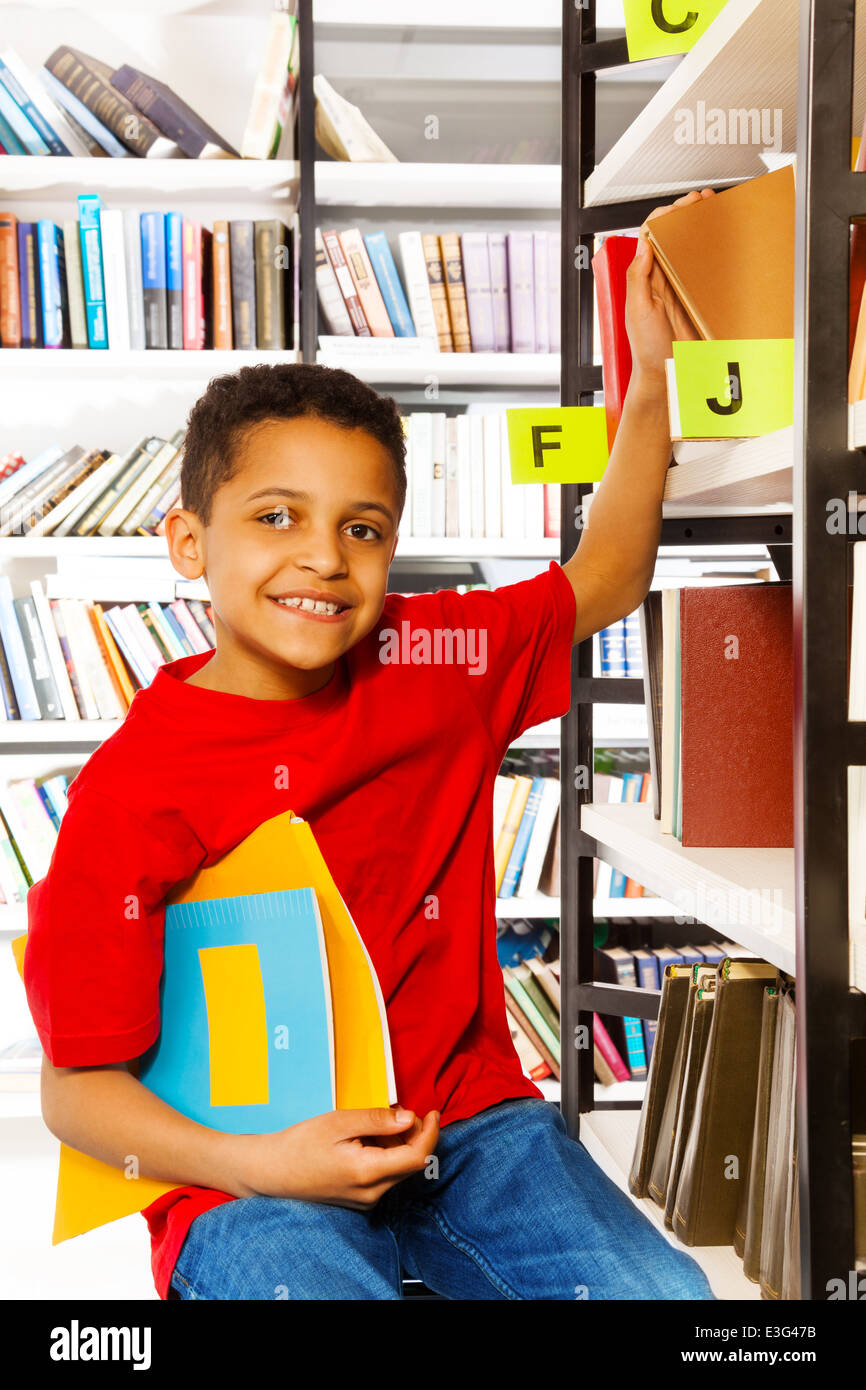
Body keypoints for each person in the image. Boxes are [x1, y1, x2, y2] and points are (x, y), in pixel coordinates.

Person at [23, 193, 717, 1300]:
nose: (324, 558)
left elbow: (604, 579)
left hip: (471, 1128)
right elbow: (76, 1093)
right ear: (187, 542)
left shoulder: (437, 656)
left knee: (665, 1301)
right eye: (275, 517)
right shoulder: (131, 793)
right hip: (249, 1171)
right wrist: (258, 1163)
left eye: (362, 528)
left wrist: (645, 384)